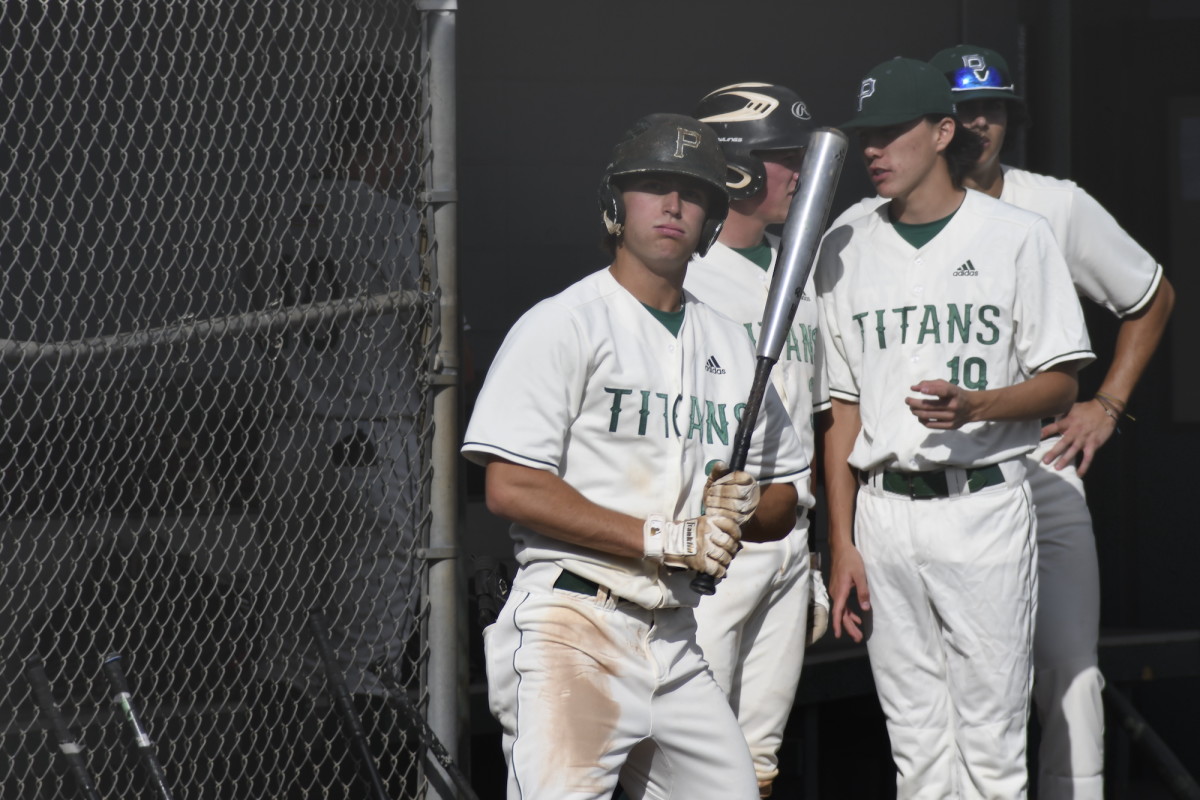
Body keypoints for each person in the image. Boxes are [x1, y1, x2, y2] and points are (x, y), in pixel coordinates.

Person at [462, 112, 810, 800]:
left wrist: (744, 507)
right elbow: (510, 487)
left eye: (693, 192)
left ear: (713, 219)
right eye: (651, 186)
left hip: (678, 637)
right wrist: (663, 535)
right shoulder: (564, 322)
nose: (672, 205)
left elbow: (784, 496)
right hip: (576, 622)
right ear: (615, 204)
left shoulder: (734, 344)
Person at [815, 57, 1095, 799]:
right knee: (916, 750)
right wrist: (840, 542)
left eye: (890, 133)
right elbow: (842, 409)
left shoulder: (1016, 233)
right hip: (881, 512)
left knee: (992, 749)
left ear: (943, 132)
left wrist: (979, 405)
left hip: (982, 501)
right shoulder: (842, 241)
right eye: (865, 136)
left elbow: (1064, 379)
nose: (873, 151)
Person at [926, 43, 1177, 799]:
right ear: (934, 124)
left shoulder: (1053, 202)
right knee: (947, 686)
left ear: (1012, 118)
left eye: (992, 107)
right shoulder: (887, 216)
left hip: (1040, 468)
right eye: (964, 109)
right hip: (941, 471)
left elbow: (1152, 294)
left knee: (1070, 667)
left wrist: (1108, 405)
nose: (979, 124)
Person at [634, 81, 830, 800]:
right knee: (688, 763)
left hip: (785, 533)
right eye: (784, 157)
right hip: (712, 547)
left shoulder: (798, 266)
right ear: (740, 166)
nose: (800, 176)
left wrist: (813, 555)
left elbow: (819, 417)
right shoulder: (687, 271)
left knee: (758, 760)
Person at [248, 61, 426, 799]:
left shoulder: (283, 213)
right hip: (368, 436)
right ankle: (362, 787)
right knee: (369, 652)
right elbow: (438, 347)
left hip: (288, 439)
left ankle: (285, 783)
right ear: (392, 134)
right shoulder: (398, 219)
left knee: (292, 645)